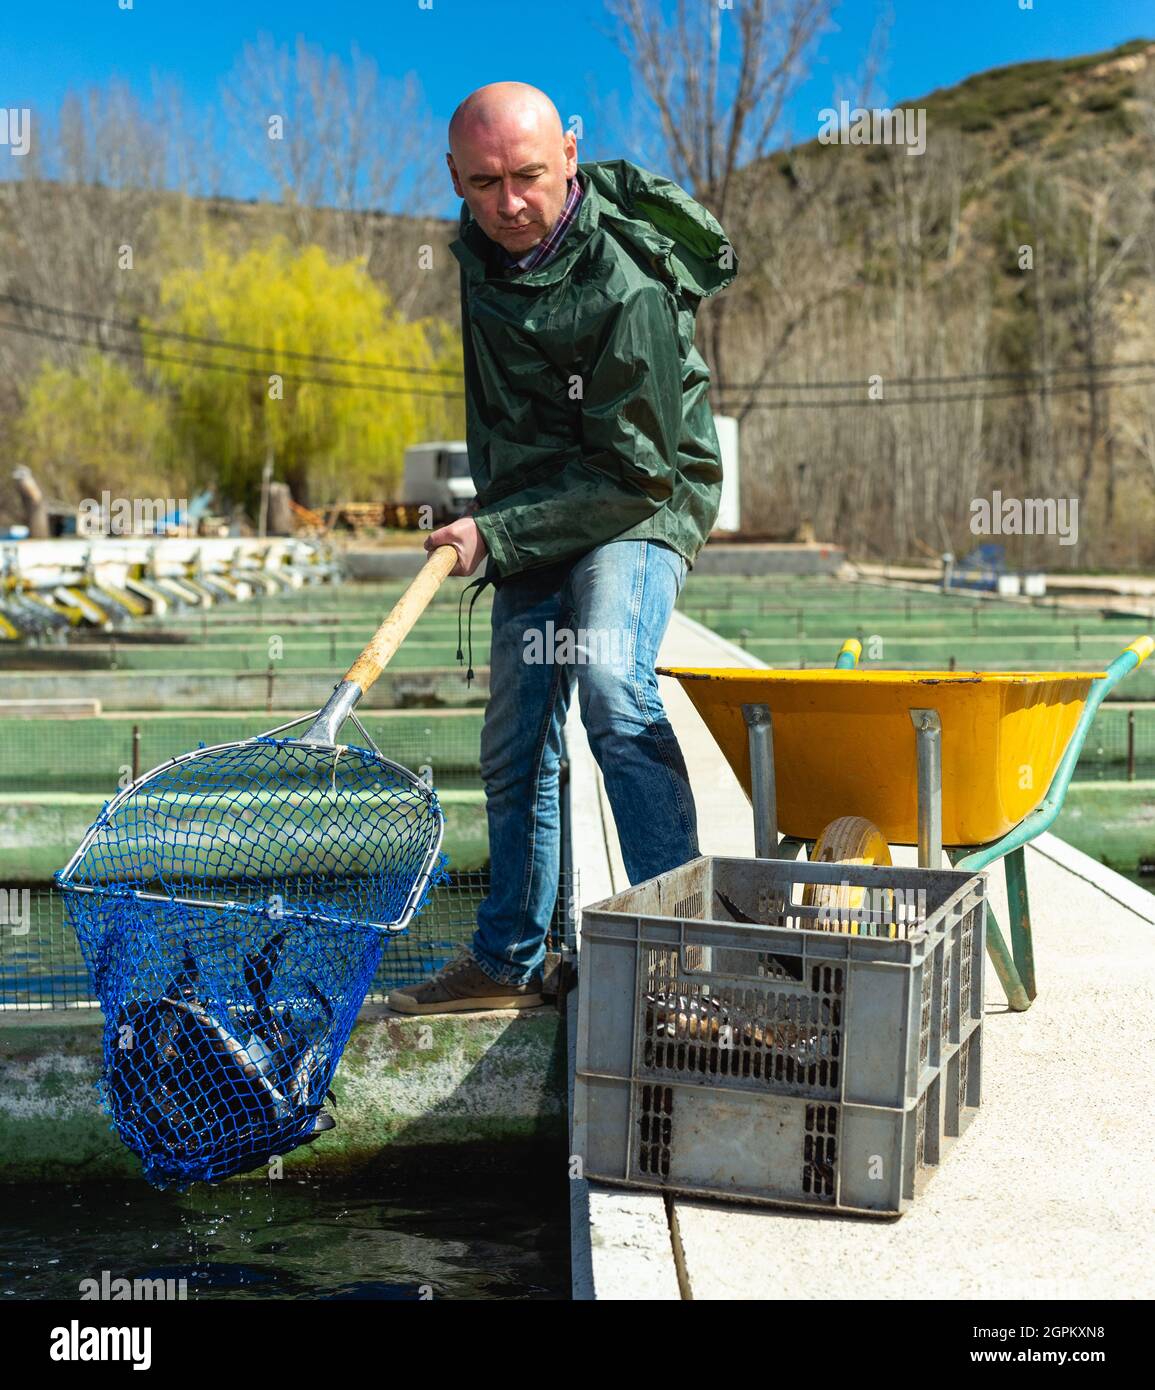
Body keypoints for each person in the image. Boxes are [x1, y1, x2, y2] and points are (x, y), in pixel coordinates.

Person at [387, 82, 738, 1015]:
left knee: (612, 690)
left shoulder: (625, 286)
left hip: (639, 499)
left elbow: (636, 475)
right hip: (538, 504)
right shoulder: (479, 253)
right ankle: (516, 963)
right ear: (454, 179)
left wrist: (493, 533)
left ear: (570, 160)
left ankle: (682, 966)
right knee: (512, 741)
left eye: (530, 178)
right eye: (486, 182)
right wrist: (498, 519)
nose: (509, 204)